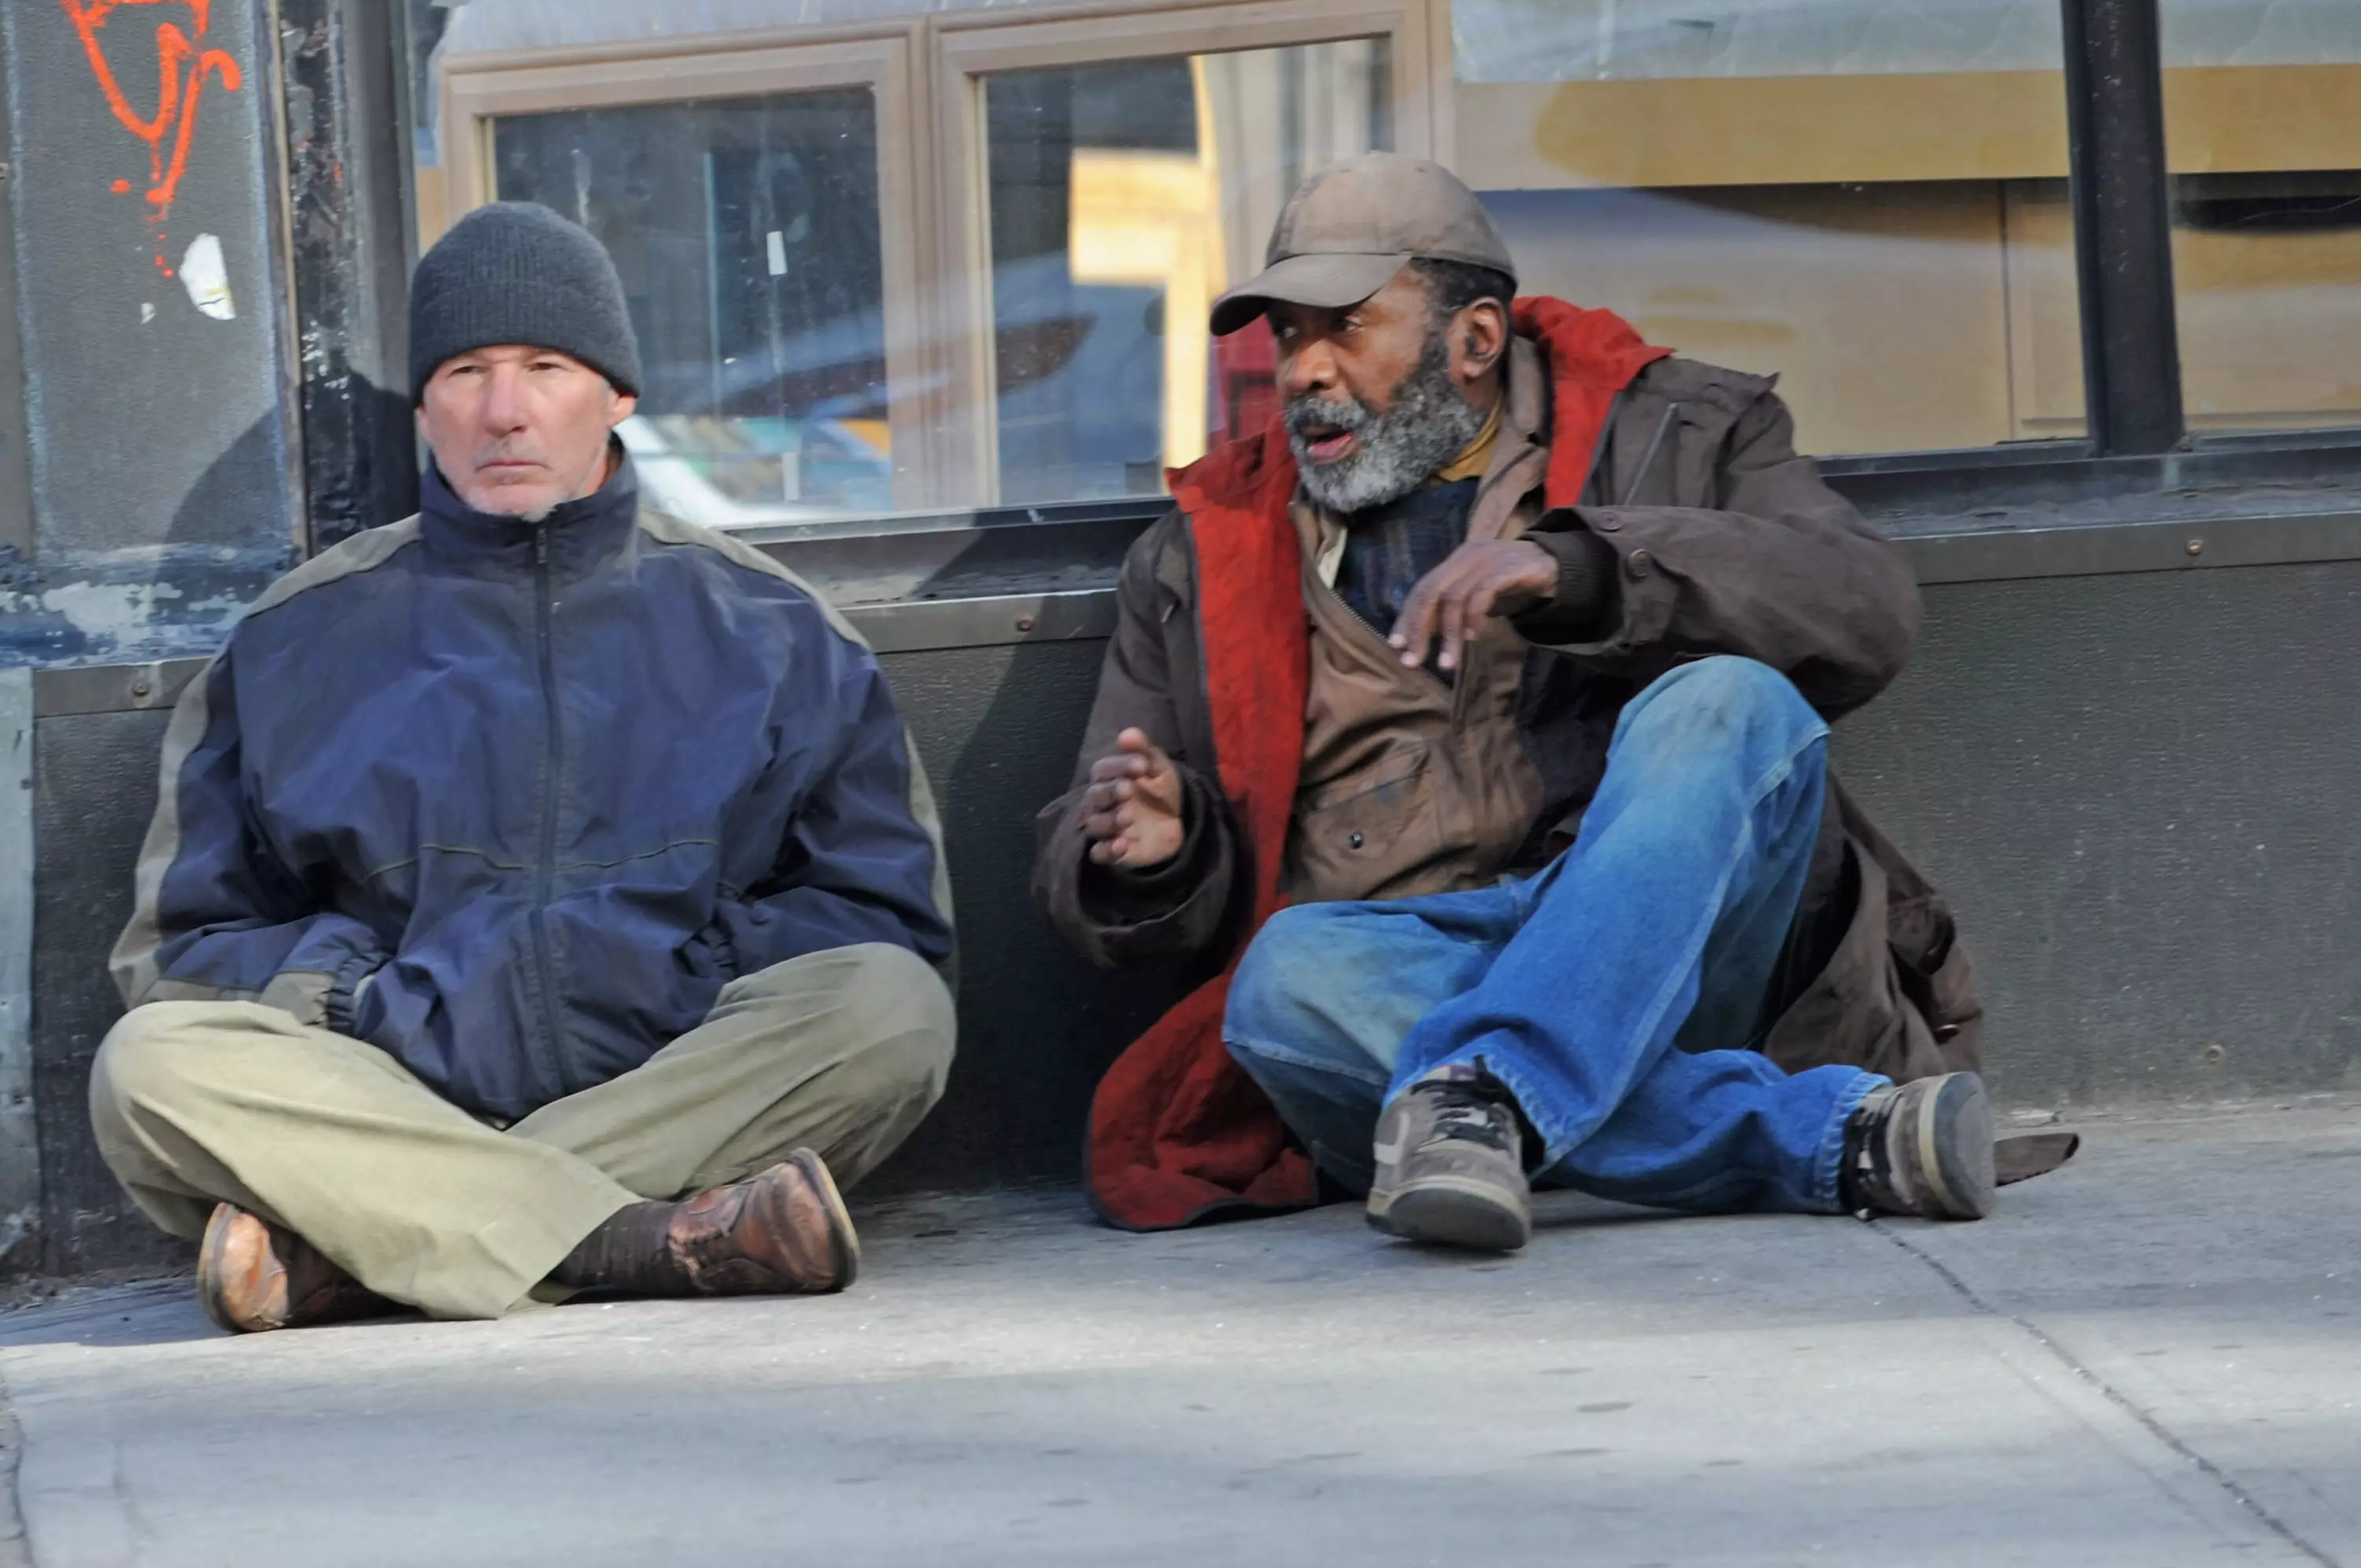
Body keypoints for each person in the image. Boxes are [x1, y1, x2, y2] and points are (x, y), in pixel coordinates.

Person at [1036, 152, 2004, 1251]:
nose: (1303, 370)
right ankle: (1822, 1136)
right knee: (1284, 982)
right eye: (1288, 335)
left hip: (1676, 953)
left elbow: (1865, 608)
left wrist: (1587, 572)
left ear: (1476, 340)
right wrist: (1160, 852)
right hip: (1412, 986)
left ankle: (1487, 1096)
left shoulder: (1680, 432)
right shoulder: (1200, 549)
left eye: (1345, 327)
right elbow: (1095, 848)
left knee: (1731, 701)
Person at [93, 202, 956, 1330]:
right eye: (465, 372)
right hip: (386, 1086)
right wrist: (364, 995)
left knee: (894, 1013)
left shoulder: (775, 628)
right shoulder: (294, 638)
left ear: (618, 395)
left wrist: (685, 970)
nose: (504, 411)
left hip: (676, 1075)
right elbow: (182, 955)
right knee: (150, 1069)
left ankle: (376, 1244)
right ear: (425, 406)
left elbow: (883, 918)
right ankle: (637, 1240)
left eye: (546, 366)